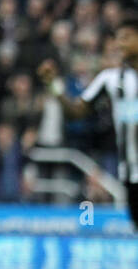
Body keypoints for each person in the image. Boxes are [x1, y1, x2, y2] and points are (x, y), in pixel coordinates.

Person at [38, 14, 138, 229]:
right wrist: (53, 85)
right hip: (130, 172)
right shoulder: (110, 78)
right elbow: (76, 111)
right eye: (118, 38)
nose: (120, 43)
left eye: (127, 37)